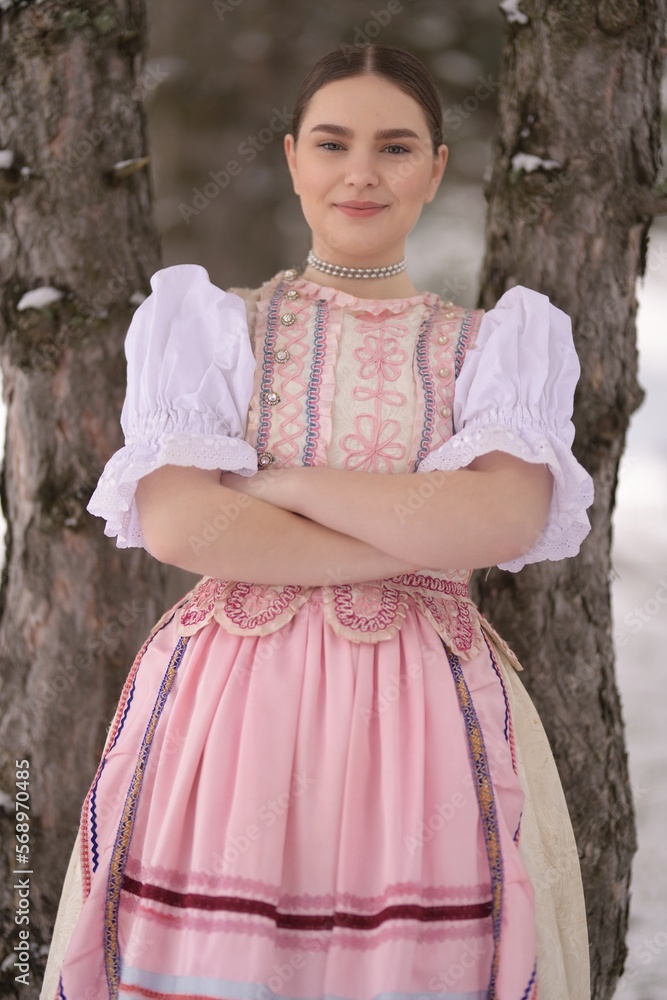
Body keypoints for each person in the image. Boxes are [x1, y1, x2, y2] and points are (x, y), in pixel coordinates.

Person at [40, 44, 594, 1000]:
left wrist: (281, 484)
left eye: (394, 146)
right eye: (333, 143)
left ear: (433, 170)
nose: (361, 172)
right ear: (293, 158)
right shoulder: (214, 329)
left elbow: (501, 517)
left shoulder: (489, 345)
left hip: (427, 714)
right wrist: (418, 535)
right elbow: (184, 528)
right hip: (232, 707)